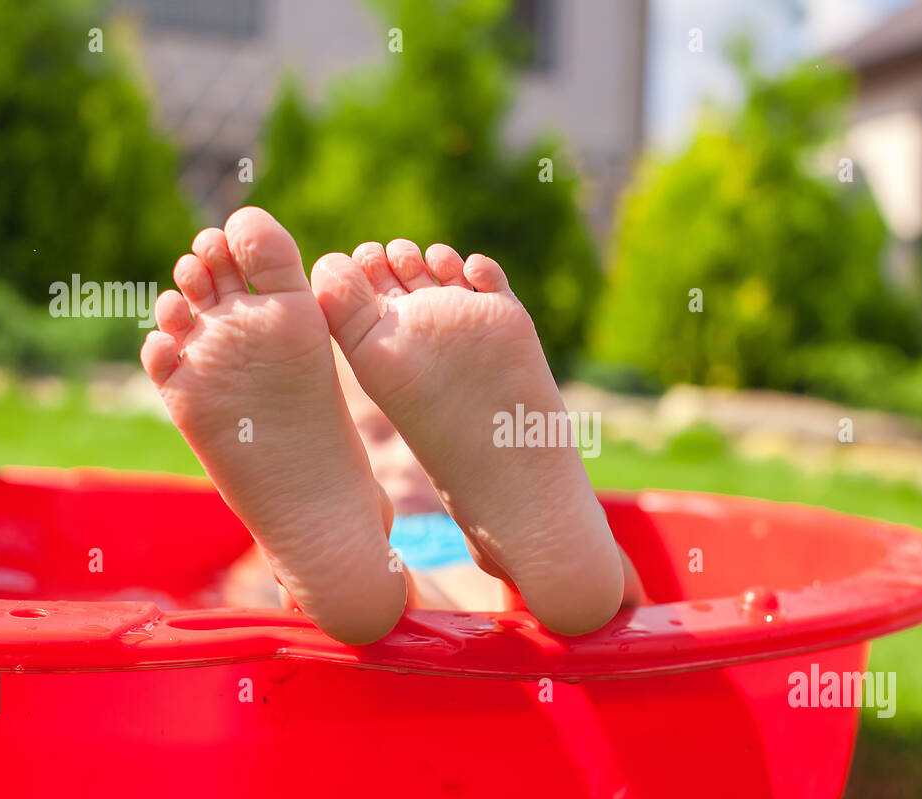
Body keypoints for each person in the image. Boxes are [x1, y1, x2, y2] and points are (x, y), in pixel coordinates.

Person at [141, 207, 642, 644]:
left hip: (445, 605)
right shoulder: (307, 529)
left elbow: (233, 602)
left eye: (421, 439)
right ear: (331, 444)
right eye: (378, 435)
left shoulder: (496, 512)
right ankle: (571, 583)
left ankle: (556, 578)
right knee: (566, 583)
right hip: (482, 615)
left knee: (529, 568)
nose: (406, 462)